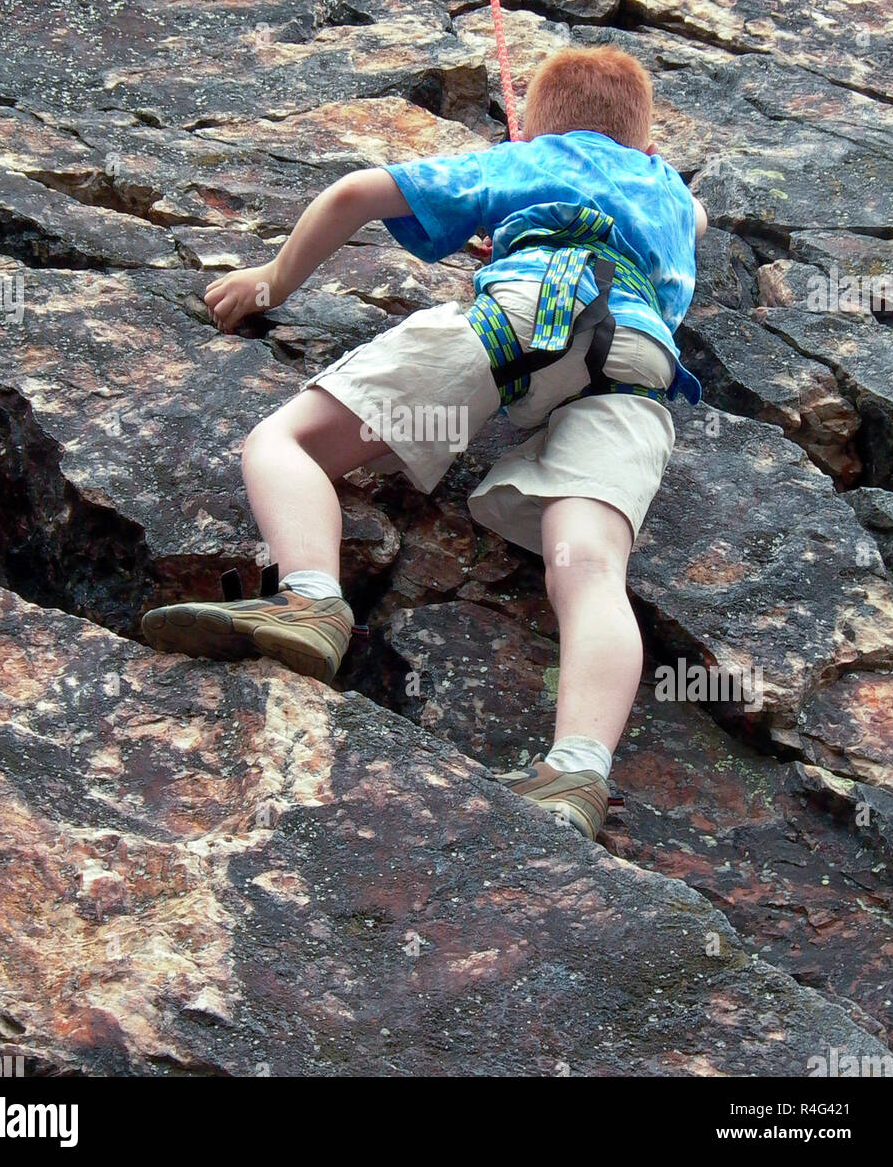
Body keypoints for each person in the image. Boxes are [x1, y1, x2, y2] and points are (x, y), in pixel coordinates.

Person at [142, 45, 707, 842]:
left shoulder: (529, 158)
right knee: (589, 570)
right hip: (637, 367)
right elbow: (696, 215)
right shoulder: (670, 197)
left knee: (286, 444)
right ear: (646, 147)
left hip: (525, 313)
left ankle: (310, 599)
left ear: (531, 127)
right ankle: (578, 769)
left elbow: (356, 194)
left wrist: (269, 281)